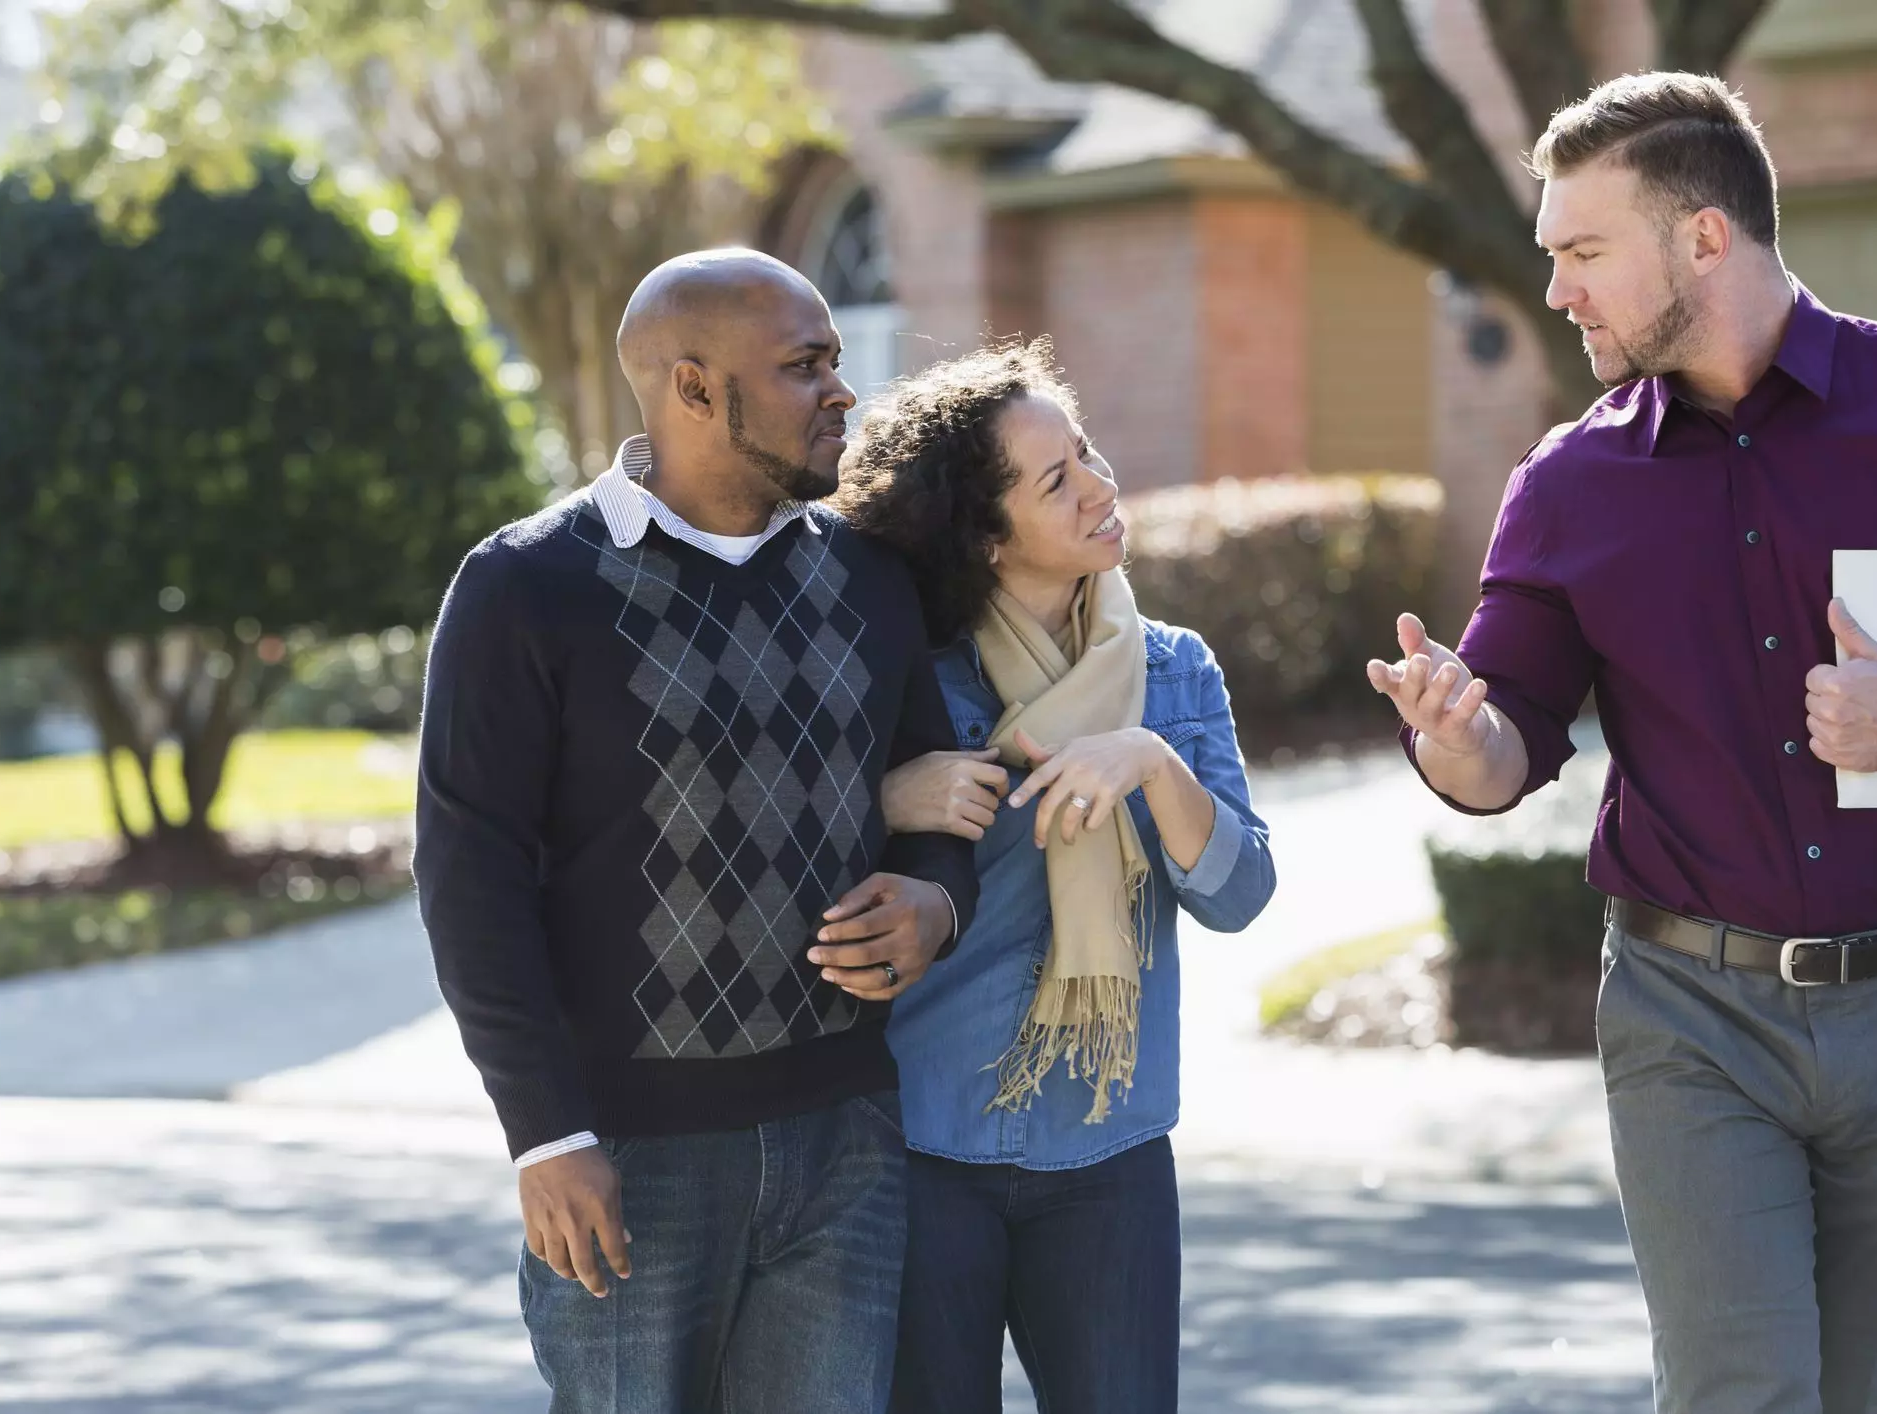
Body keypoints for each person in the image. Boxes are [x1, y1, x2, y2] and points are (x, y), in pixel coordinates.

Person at [1371, 72, 1877, 1414]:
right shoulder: (1568, 482)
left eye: (1582, 254)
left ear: (1703, 238)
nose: (1557, 293)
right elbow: (1505, 744)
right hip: (1687, 1014)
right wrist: (1454, 732)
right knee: (1740, 1389)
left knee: (1860, 1395)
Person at [413, 248, 978, 1413]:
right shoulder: (525, 587)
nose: (840, 392)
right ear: (692, 387)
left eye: (832, 360)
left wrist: (937, 896)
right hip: (628, 1157)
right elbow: (469, 880)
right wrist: (545, 1136)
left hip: (846, 1137)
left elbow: (931, 784)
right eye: (802, 366)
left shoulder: (870, 575)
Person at [831, 340, 1277, 1413]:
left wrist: (1153, 765)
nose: (1099, 488)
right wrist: (893, 798)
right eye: (1056, 480)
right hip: (923, 1147)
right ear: (985, 535)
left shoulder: (1171, 671)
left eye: (1088, 454)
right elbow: (797, 848)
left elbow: (1240, 891)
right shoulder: (907, 680)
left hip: (1111, 1151)